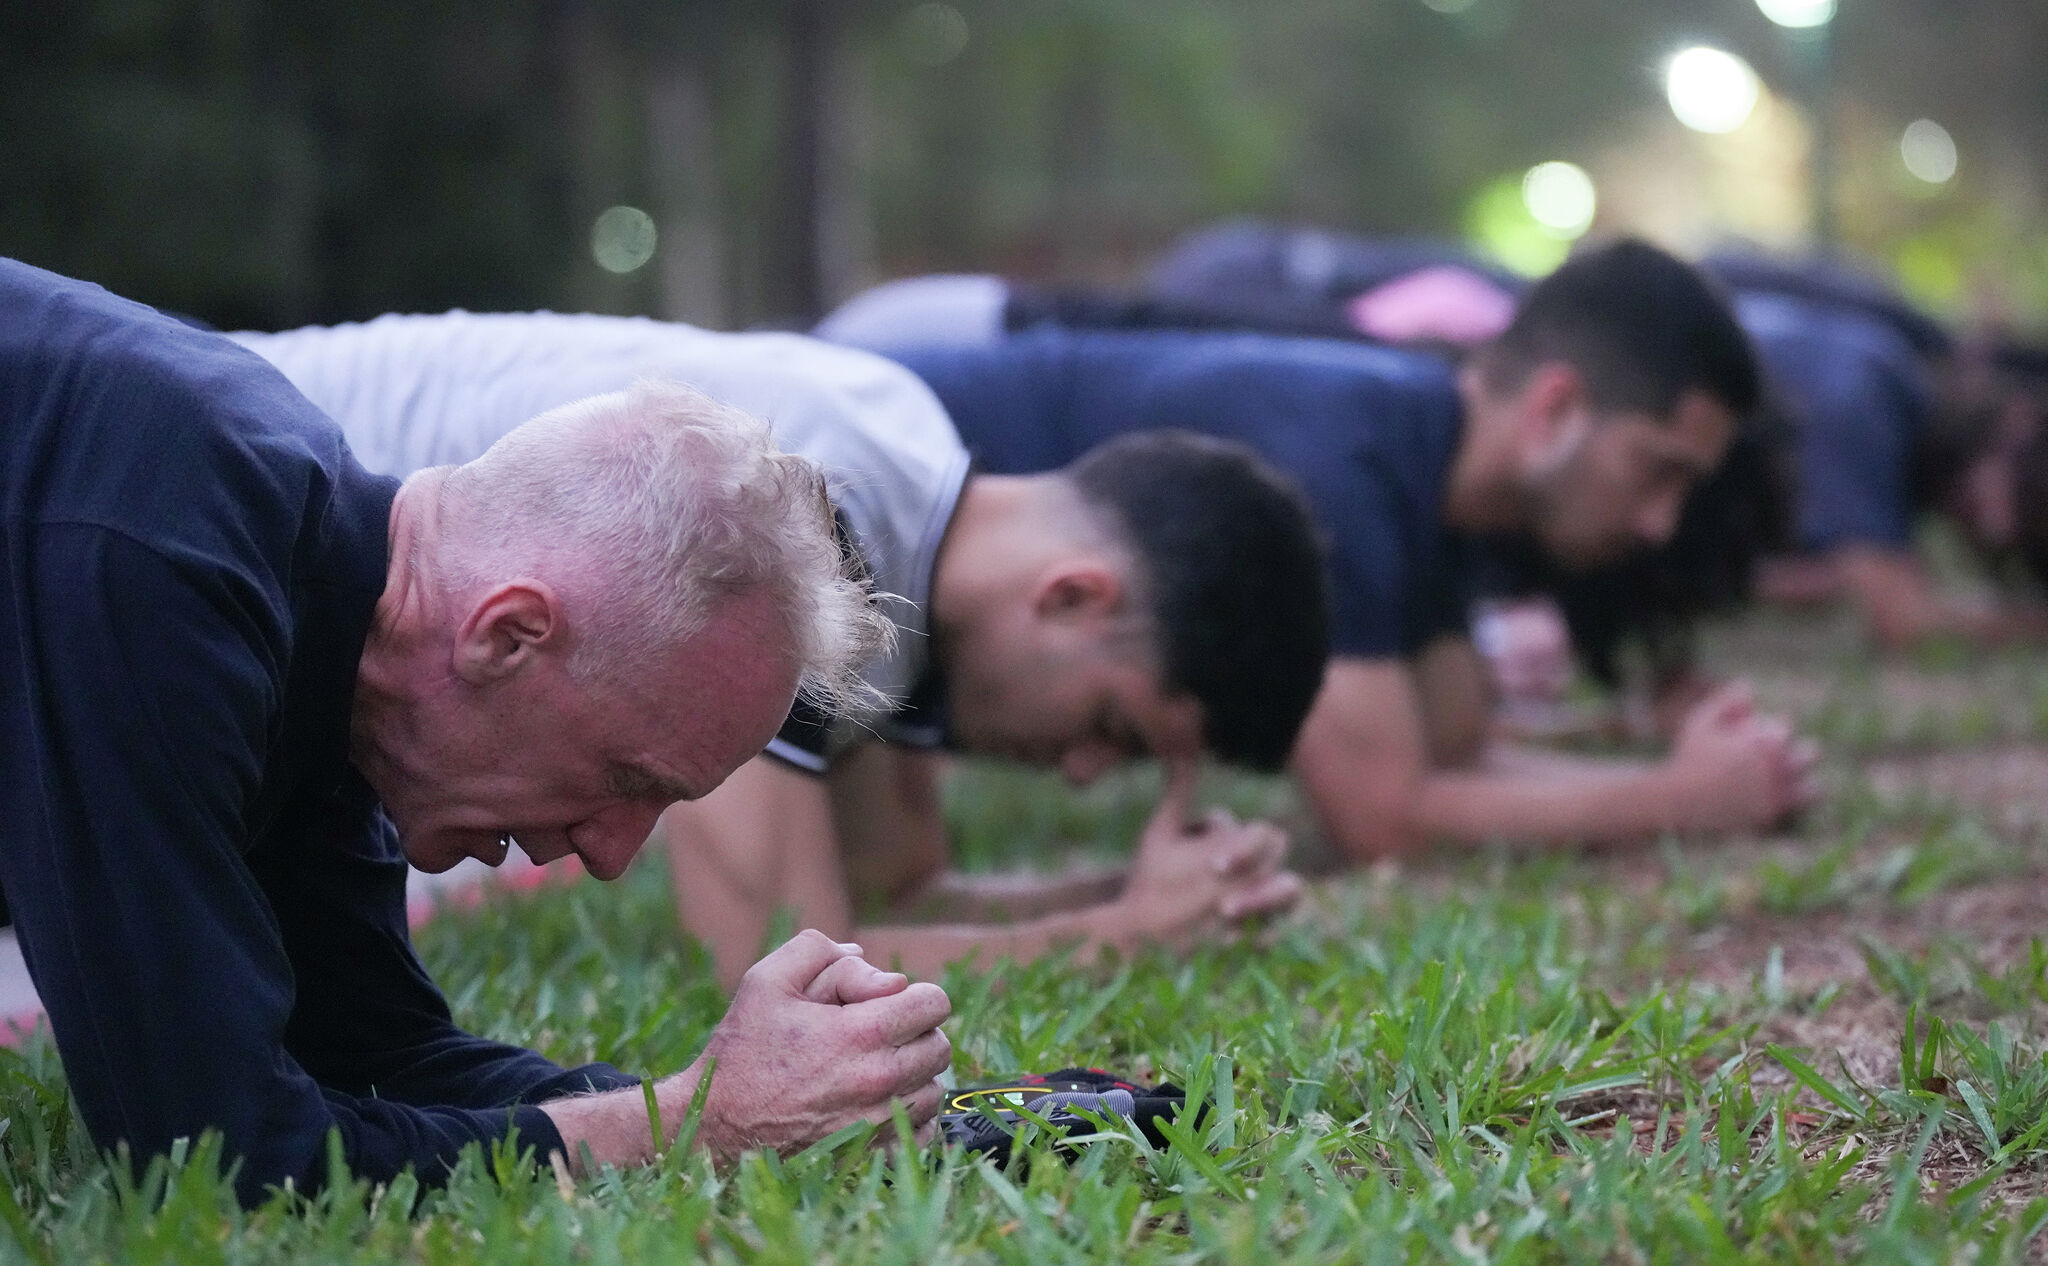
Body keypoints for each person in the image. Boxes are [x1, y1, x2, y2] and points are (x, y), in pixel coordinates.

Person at [0, 259, 954, 1207]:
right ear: (506, 636)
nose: (615, 855)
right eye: (627, 778)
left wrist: (767, 1103)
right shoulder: (164, 562)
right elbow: (212, 1157)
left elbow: (375, 1058)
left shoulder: (321, 608)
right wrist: (699, 1126)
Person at [236, 312, 1327, 987]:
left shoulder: (904, 451)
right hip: (218, 527)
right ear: (1072, 597)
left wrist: (1120, 890)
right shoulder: (808, 519)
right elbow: (770, 957)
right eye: (1110, 728)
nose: (1084, 771)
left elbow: (895, 891)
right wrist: (1127, 933)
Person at [825, 239, 1820, 860]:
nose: (1658, 525)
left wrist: (1669, 766)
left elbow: (1454, 754)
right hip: (816, 462)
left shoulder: (1430, 468)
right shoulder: (1338, 464)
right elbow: (1382, 819)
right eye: (1658, 472)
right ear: (1554, 408)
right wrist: (1685, 798)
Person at [1143, 220, 2048, 657]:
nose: (1988, 528)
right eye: (2000, 503)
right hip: (1250, 284)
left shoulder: (1872, 365)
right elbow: (1389, 805)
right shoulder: (1860, 391)